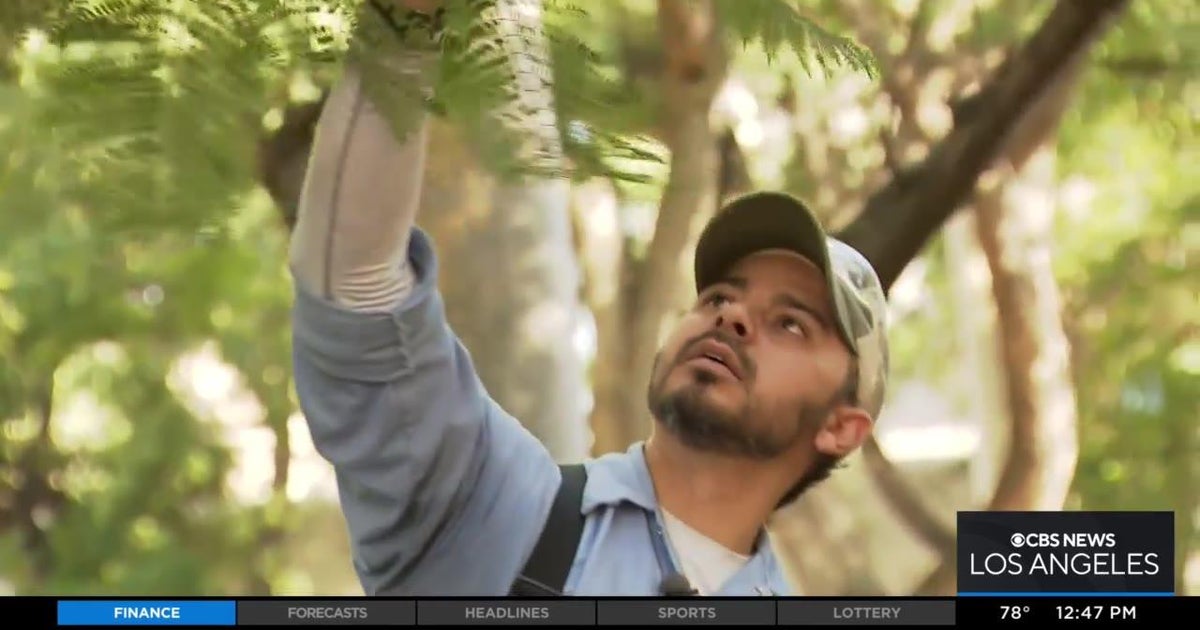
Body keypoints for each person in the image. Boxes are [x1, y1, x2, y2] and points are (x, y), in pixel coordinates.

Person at [288, 0, 889, 597]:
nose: (731, 316)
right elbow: (356, 291)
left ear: (842, 427)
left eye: (790, 324)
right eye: (718, 297)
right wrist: (404, 29)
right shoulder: (492, 507)